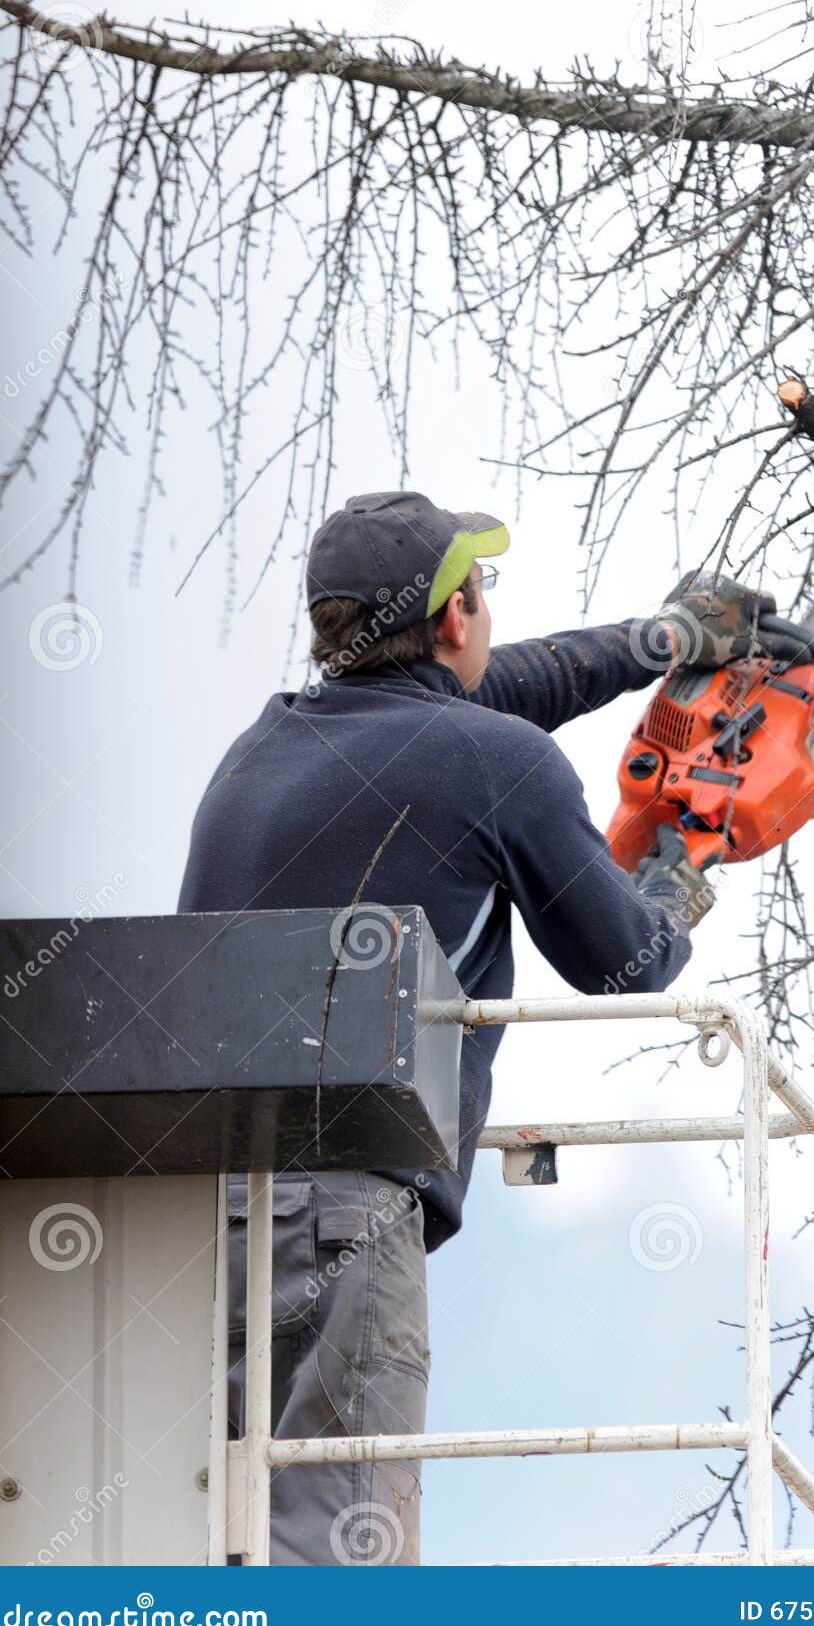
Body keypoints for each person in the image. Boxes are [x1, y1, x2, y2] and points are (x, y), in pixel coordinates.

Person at [177, 490, 762, 1565]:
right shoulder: (493, 761)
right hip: (341, 1205)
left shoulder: (258, 753)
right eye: (479, 590)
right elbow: (620, 961)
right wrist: (680, 879)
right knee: (335, 1549)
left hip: (181, 1214)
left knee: (210, 1532)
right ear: (454, 617)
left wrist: (658, 643)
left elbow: (484, 703)